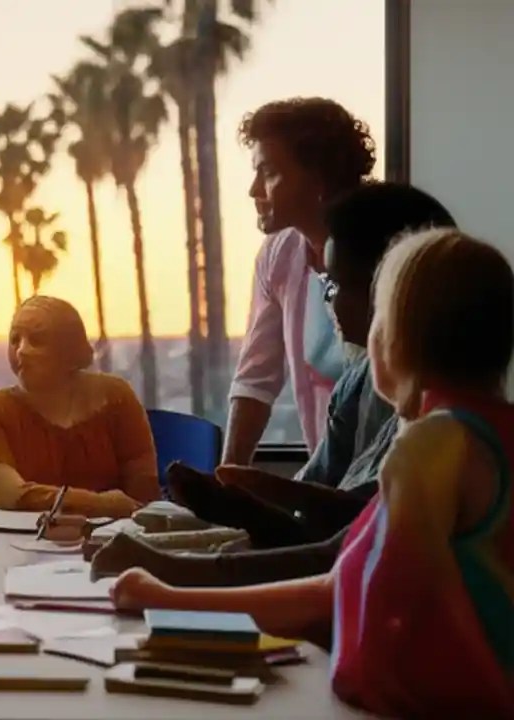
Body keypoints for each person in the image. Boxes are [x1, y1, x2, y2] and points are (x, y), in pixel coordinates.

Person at [112, 229, 514, 716]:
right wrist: (171, 595)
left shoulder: (431, 448)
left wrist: (166, 597)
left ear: (395, 341)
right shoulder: (493, 437)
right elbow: (339, 585)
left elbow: (351, 599)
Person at [92, 183, 456, 579]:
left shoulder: (442, 436)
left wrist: (180, 573)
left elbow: (346, 549)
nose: (326, 301)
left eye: (334, 284)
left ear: (386, 291)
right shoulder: (358, 379)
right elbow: (319, 513)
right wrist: (246, 497)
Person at [223, 98, 377, 464]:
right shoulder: (280, 254)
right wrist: (227, 479)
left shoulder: (384, 246)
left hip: (395, 477)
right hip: (329, 483)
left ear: (319, 177)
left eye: (269, 172)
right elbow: (255, 380)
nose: (254, 190)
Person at [0, 296, 160, 517]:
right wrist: (100, 505)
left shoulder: (116, 398)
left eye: (37, 340)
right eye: (14, 340)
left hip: (115, 541)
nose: (21, 350)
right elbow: (10, 497)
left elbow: (144, 496)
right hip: (24, 545)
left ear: (69, 348)